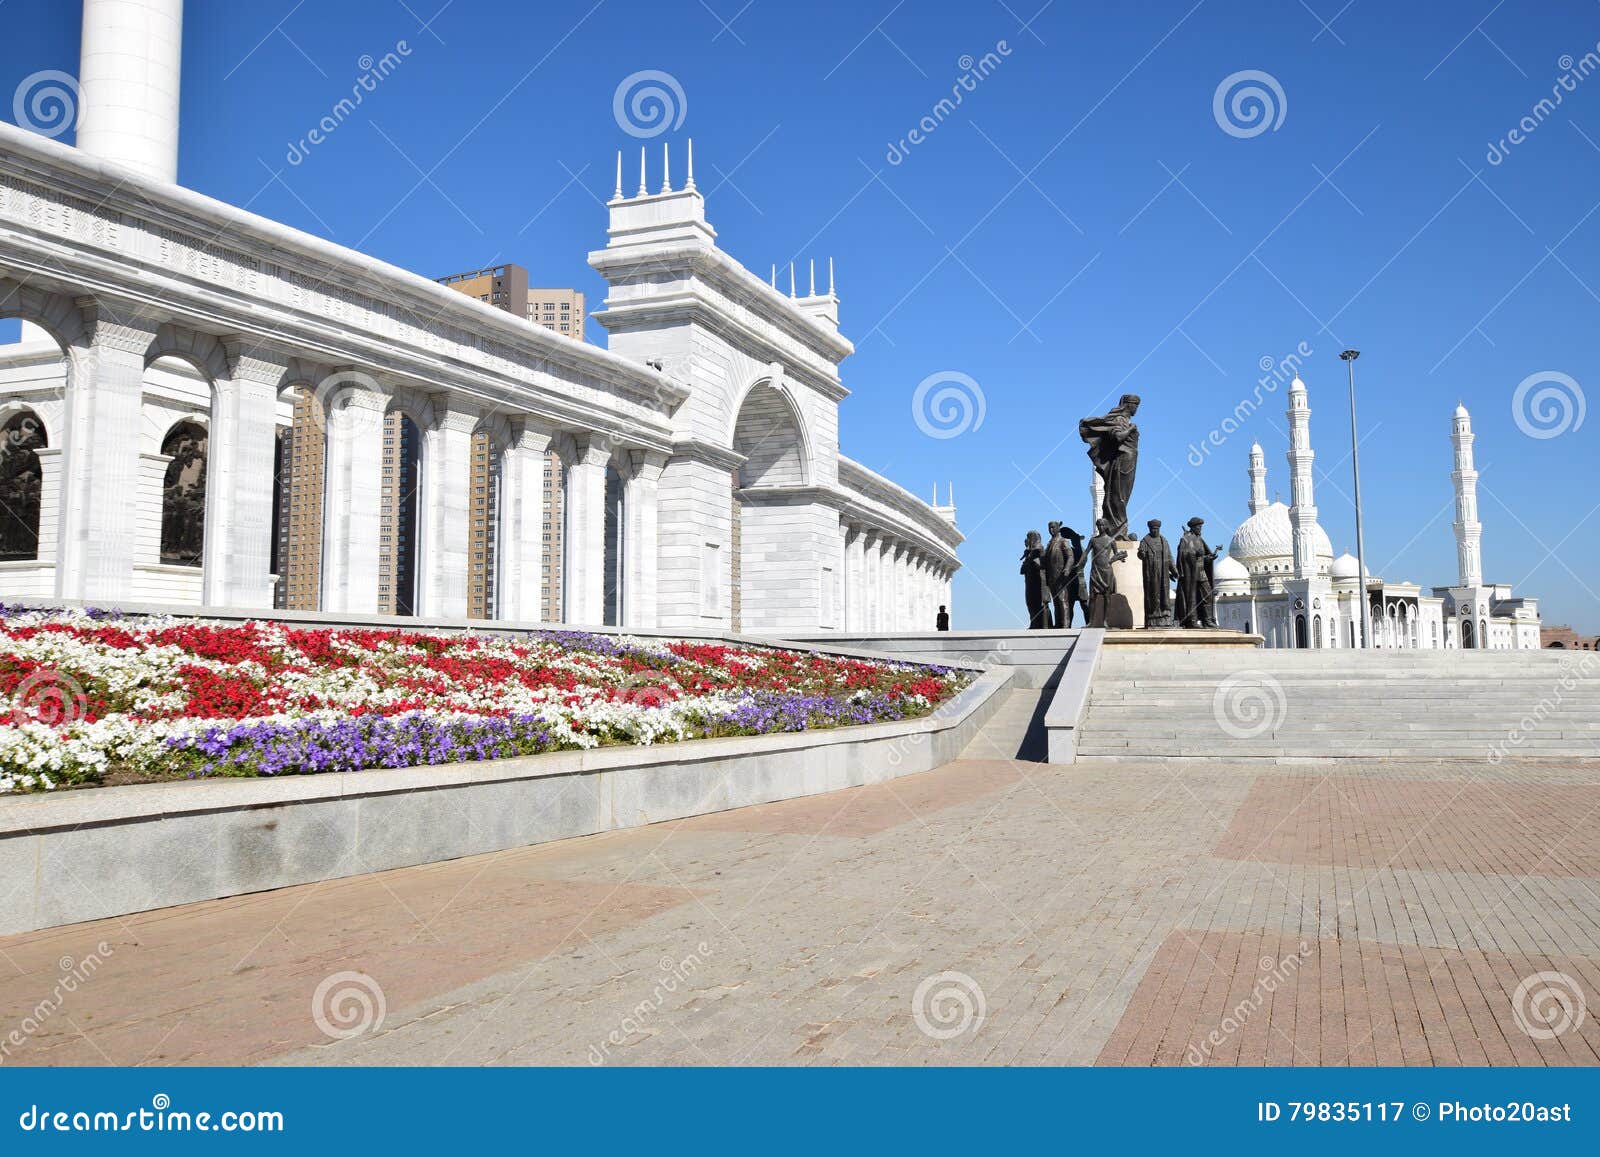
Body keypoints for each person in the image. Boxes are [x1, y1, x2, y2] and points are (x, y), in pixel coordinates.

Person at [1078, 395, 1140, 539]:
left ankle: (1118, 529)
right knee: (1118, 497)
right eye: (1135, 405)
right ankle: (1118, 532)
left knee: (1122, 497)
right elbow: (1118, 437)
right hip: (1123, 461)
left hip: (1130, 461)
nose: (1136, 409)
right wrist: (1131, 429)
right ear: (1128, 405)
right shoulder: (1120, 420)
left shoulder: (1125, 421)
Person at [1176, 517, 1222, 628]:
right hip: (1190, 574)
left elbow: (1201, 557)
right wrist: (1195, 553)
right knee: (1191, 597)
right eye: (1198, 527)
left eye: (1201, 527)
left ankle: (1207, 620)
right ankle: (1192, 621)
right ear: (1192, 527)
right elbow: (1182, 555)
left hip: (1201, 573)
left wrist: (1208, 557)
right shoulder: (1186, 539)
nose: (1200, 529)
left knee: (1207, 595)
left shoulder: (1199, 539)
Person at [1086, 517, 1127, 629]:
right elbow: (1086, 553)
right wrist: (1079, 564)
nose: (1100, 527)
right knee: (1093, 597)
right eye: (1099, 525)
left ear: (1106, 526)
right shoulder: (1093, 540)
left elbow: (1116, 553)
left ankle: (1105, 621)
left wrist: (1120, 558)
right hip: (1095, 570)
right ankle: (1090, 622)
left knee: (1106, 596)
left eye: (1103, 525)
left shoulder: (1111, 540)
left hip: (1107, 571)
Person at [1138, 519, 1178, 628]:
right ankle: (1153, 617)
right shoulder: (1145, 541)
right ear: (1149, 529)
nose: (1154, 531)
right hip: (1151, 573)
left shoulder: (1164, 541)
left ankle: (1165, 616)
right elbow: (1140, 555)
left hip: (1163, 572)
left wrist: (1174, 570)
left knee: (1164, 594)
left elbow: (1169, 557)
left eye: (1156, 529)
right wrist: (1141, 553)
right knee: (1153, 594)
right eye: (1152, 529)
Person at [1043, 520, 1070, 629]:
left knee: (1062, 599)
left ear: (1058, 528)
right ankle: (1058, 623)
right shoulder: (1050, 543)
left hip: (1060, 575)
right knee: (1055, 601)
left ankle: (1065, 624)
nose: (1051, 530)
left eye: (1053, 527)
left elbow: (1070, 556)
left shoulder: (1063, 541)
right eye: (1049, 528)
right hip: (1051, 576)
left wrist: (1067, 568)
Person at [1020, 530, 1048, 629]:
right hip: (1029, 581)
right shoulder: (1029, 552)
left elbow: (1044, 563)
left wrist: (1037, 561)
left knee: (1041, 604)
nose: (1026, 540)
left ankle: (1045, 625)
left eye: (1028, 538)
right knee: (1030, 603)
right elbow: (1022, 570)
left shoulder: (1040, 549)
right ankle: (1034, 623)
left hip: (1038, 581)